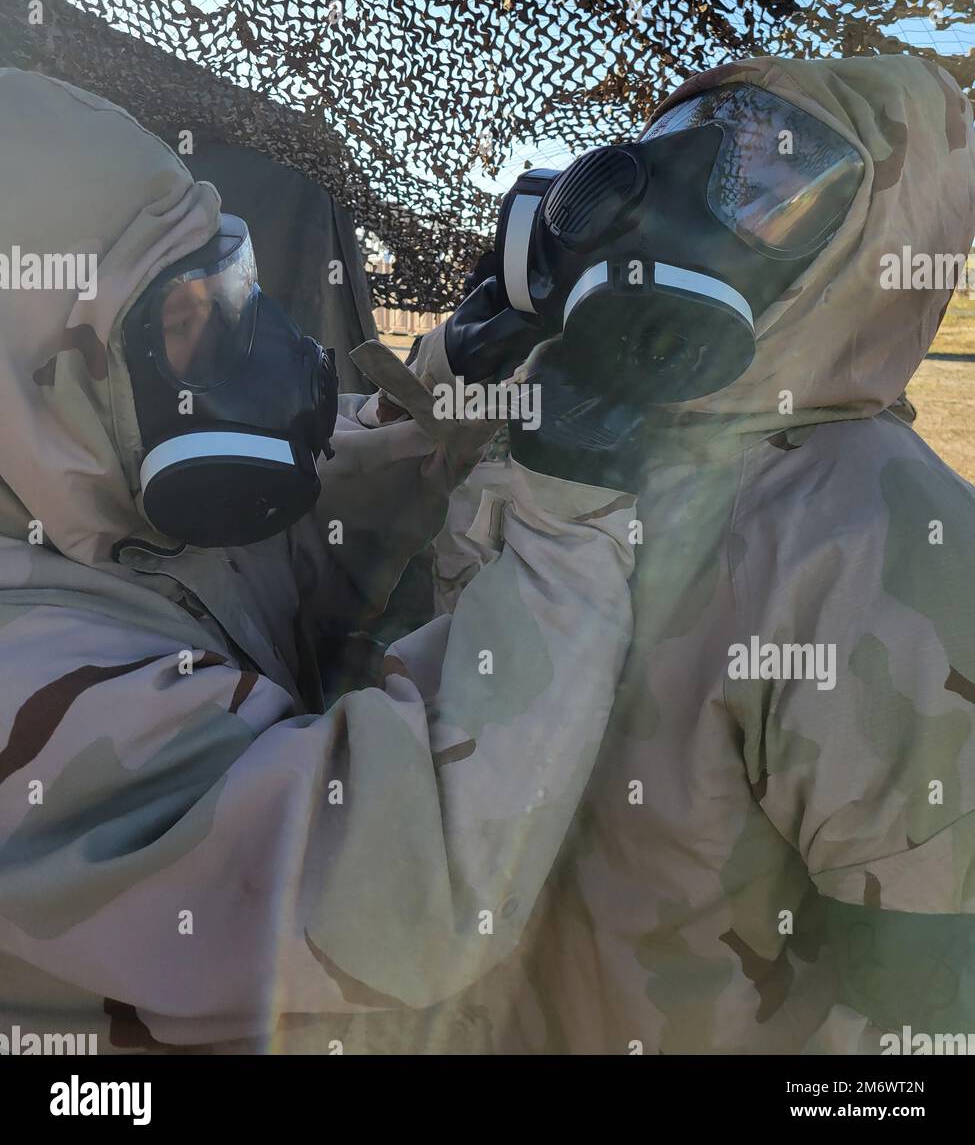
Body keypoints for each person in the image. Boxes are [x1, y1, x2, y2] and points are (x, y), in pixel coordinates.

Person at [0, 68, 639, 1053]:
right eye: (187, 317)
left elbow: (295, 532)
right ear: (41, 380)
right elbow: (414, 880)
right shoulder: (27, 680)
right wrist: (575, 499)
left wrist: (454, 377)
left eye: (230, 286)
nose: (247, 344)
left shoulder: (86, 497)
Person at [437, 53, 975, 1054]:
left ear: (882, 242)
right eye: (680, 147)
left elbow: (920, 1006)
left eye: (764, 174)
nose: (669, 191)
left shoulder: (880, 534)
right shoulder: (555, 416)